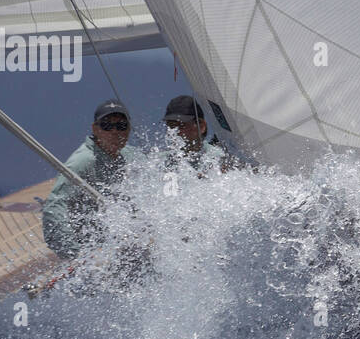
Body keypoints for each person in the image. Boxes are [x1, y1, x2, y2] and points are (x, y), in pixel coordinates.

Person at [41, 100, 140, 260]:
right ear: (95, 129)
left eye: (121, 126)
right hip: (93, 252)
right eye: (107, 126)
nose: (115, 131)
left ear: (129, 129)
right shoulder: (82, 162)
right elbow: (53, 208)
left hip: (122, 245)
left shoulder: (133, 156)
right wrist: (76, 255)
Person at [162, 95, 235, 173]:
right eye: (171, 126)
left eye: (182, 125)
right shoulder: (158, 161)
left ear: (201, 126)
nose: (175, 131)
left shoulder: (220, 159)